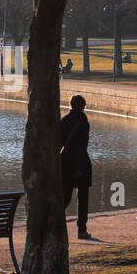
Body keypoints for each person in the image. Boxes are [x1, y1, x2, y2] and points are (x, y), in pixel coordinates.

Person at [60, 95, 93, 240]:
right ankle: (82, 229)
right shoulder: (83, 122)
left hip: (65, 162)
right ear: (82, 106)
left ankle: (56, 225)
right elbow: (82, 146)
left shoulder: (64, 121)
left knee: (65, 197)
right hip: (81, 163)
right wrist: (79, 169)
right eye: (84, 104)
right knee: (83, 198)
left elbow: (59, 144)